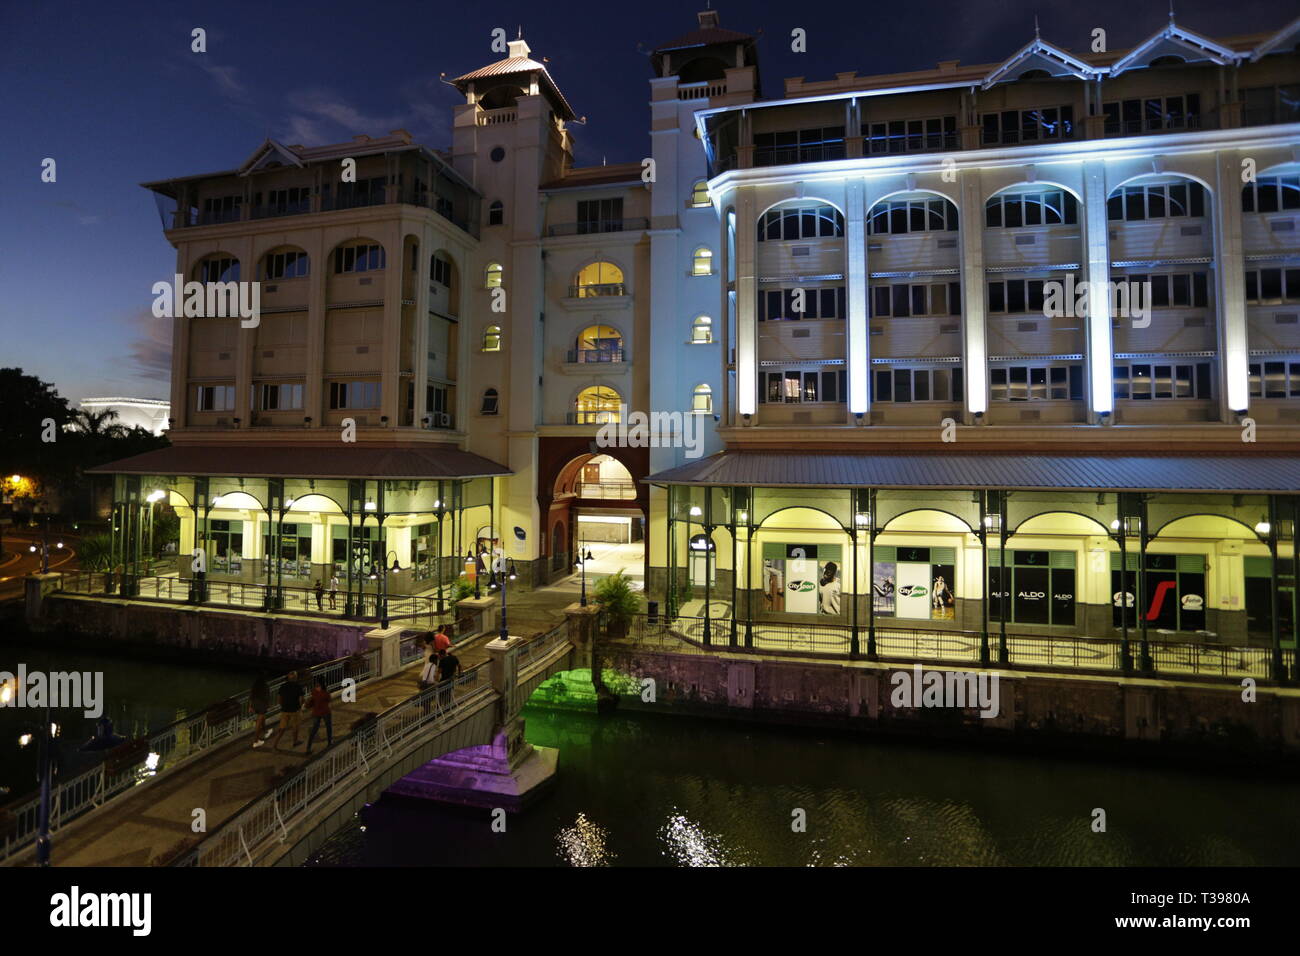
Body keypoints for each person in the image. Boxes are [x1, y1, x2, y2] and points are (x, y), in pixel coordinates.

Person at [270, 671, 305, 751]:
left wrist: (283, 706)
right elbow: (301, 699)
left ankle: (275, 744)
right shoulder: (298, 686)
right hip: (295, 709)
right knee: (295, 727)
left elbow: (279, 699)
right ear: (295, 678)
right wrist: (300, 706)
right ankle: (295, 741)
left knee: (282, 728)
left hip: (285, 710)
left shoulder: (283, 686)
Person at [305, 677, 333, 755]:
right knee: (328, 727)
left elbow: (313, 700)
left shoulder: (314, 691)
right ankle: (329, 742)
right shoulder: (325, 693)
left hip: (316, 712)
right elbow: (329, 700)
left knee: (314, 730)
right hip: (325, 712)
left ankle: (308, 747)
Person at [250, 673, 271, 748]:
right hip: (262, 705)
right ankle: (255, 741)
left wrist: (251, 706)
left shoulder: (255, 686)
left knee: (262, 718)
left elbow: (251, 696)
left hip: (255, 704)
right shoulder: (265, 686)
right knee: (259, 722)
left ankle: (265, 731)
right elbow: (267, 697)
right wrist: (268, 705)